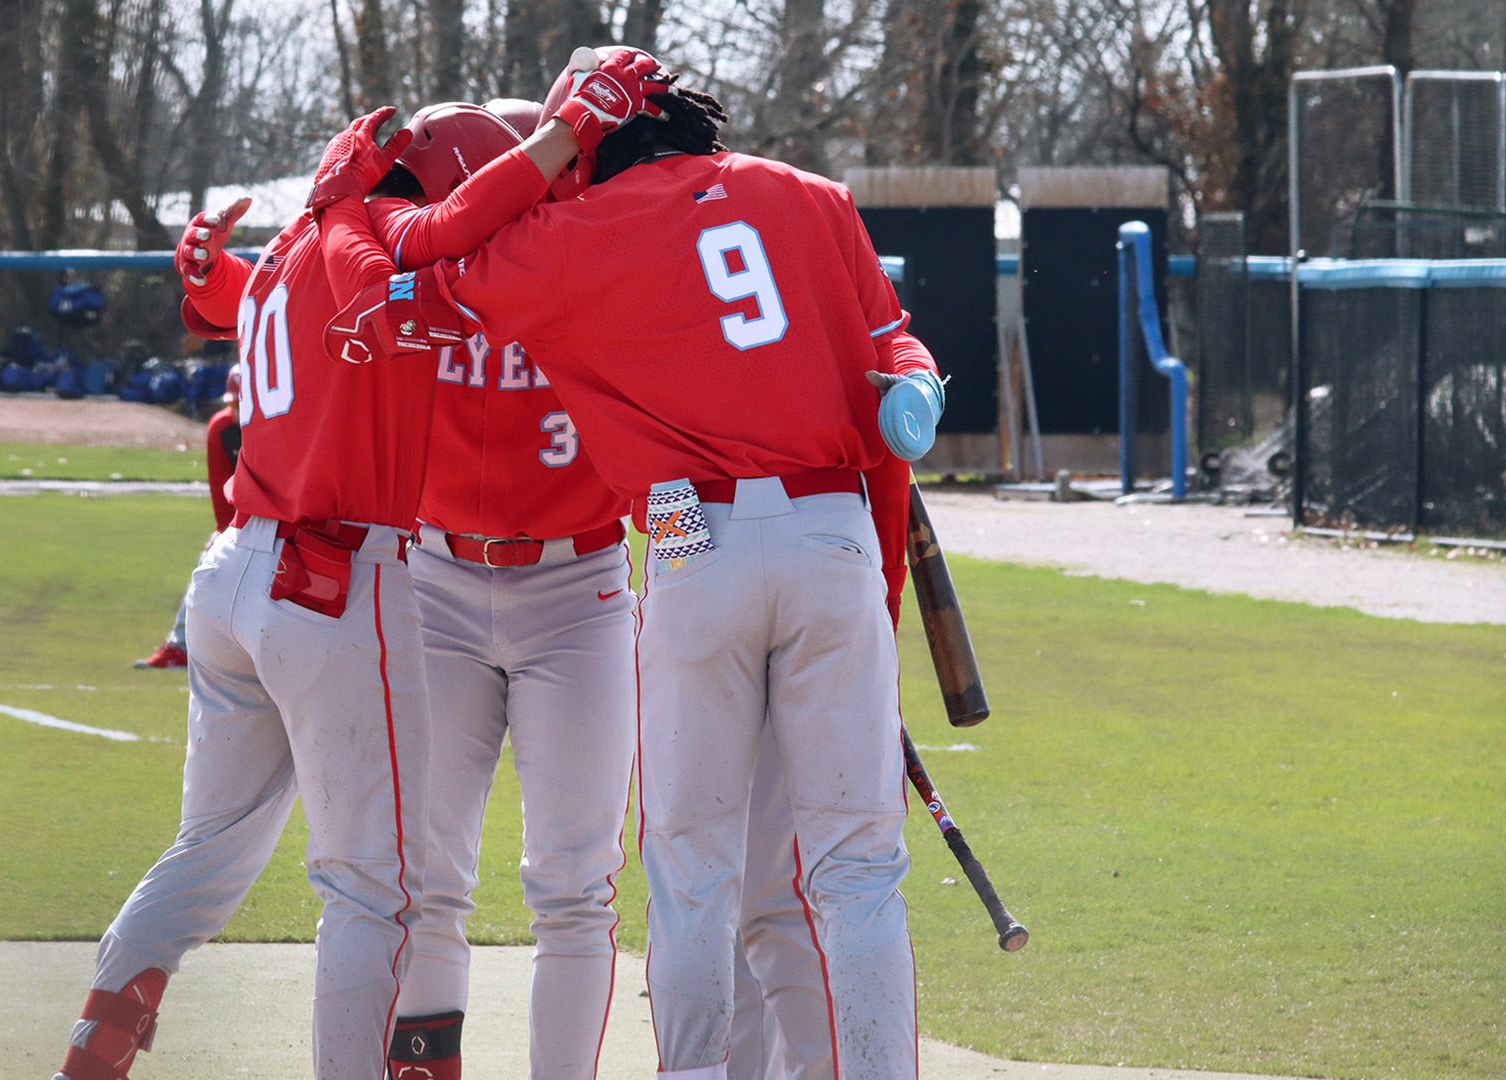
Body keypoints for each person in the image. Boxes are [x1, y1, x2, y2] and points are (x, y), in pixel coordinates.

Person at [317, 46, 945, 1080]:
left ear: (593, 138)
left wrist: (357, 205)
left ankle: (692, 1072)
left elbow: (421, 261)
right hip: (832, 520)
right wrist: (872, 597)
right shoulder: (811, 197)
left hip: (687, 533)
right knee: (858, 868)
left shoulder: (569, 233)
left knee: (690, 866)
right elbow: (897, 363)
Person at [48, 78, 656, 1077]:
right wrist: (565, 135)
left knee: (220, 846)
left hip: (257, 567)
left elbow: (257, 302)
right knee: (386, 886)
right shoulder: (370, 240)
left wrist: (212, 278)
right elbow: (405, 265)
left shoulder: (311, 242)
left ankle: (99, 1040)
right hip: (360, 572)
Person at [355, 101, 638, 1080]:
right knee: (427, 877)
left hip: (580, 584)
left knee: (573, 885)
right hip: (434, 580)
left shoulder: (604, 270)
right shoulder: (406, 275)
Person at [135, 366, 244, 670]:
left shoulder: (280, 427)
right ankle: (180, 646)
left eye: (243, 403)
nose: (236, 410)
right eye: (233, 403)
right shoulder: (221, 428)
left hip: (285, 520)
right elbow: (222, 492)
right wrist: (228, 533)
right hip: (244, 520)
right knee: (208, 564)